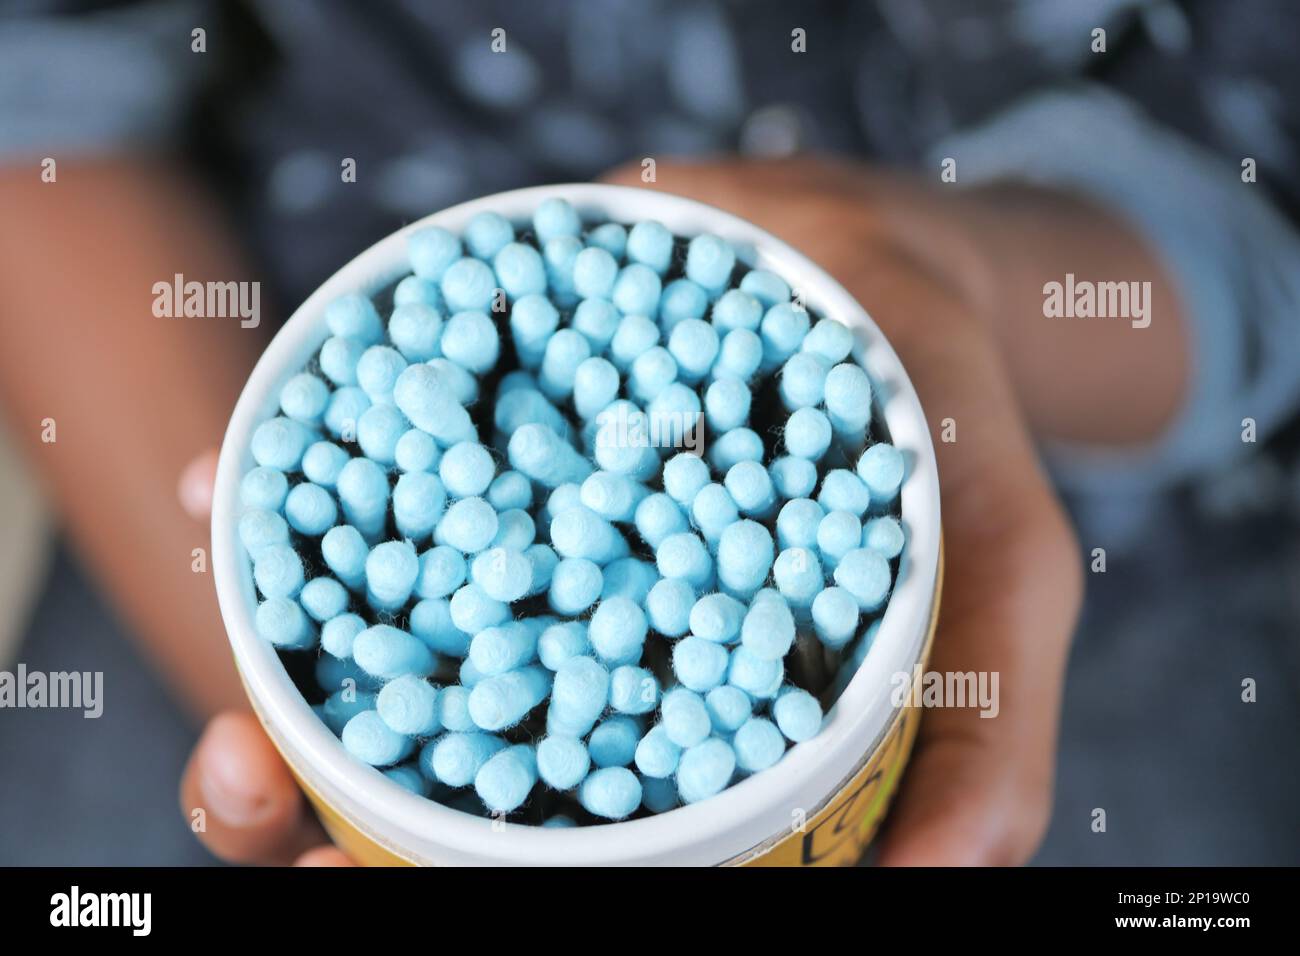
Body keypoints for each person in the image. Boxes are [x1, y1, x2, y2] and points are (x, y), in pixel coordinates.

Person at [3, 1, 1298, 866]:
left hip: (1084, 468)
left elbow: (1263, 213)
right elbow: (36, 116)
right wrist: (346, 775)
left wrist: (951, 272)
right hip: (224, 328)